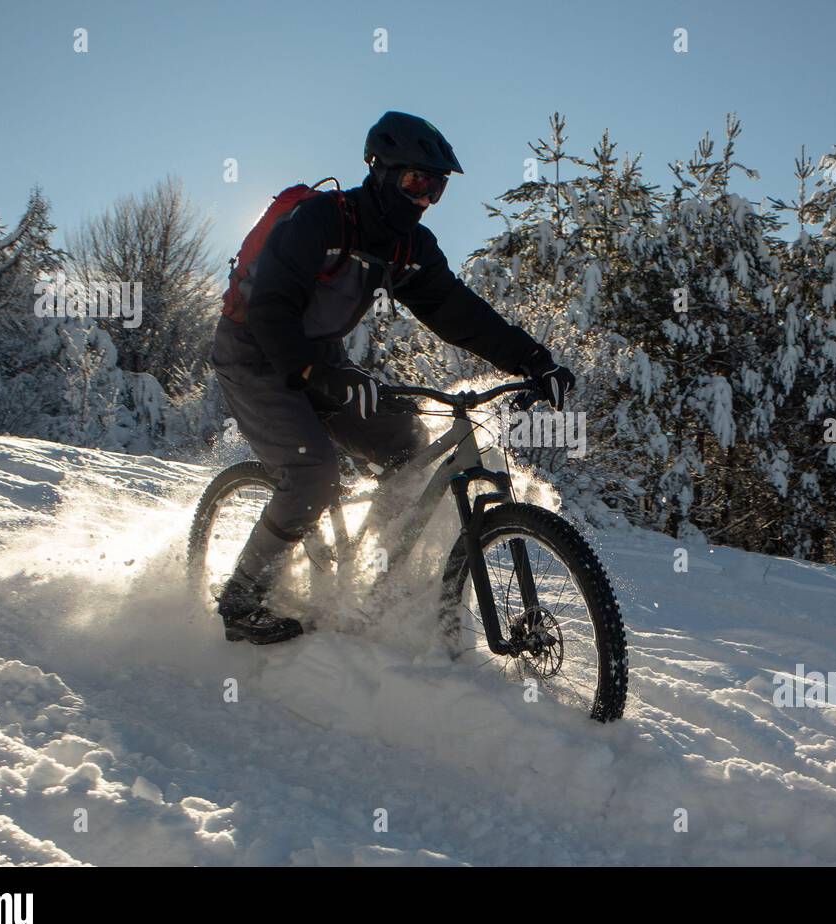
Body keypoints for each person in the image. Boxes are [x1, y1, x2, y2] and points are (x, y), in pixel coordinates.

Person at [209, 110, 576, 645]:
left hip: (319, 358)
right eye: (416, 181)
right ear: (381, 171)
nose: (425, 198)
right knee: (312, 474)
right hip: (253, 352)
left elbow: (458, 312)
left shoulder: (408, 249)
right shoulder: (321, 222)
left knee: (408, 447)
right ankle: (240, 599)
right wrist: (314, 373)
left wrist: (534, 360)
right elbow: (270, 308)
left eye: (437, 188)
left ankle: (376, 576)